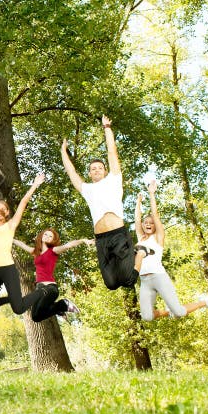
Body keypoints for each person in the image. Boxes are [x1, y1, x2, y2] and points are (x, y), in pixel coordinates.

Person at [60, 115, 146, 290]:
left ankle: (141, 253)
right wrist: (63, 152)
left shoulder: (114, 179)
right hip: (101, 240)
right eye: (93, 169)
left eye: (100, 168)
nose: (97, 170)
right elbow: (72, 173)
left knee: (129, 280)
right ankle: (131, 257)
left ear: (105, 171)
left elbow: (112, 152)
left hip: (119, 234)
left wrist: (107, 128)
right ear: (90, 173)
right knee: (111, 284)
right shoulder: (87, 189)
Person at [135, 180, 208, 320]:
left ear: (155, 226)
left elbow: (155, 214)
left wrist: (151, 194)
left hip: (159, 277)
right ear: (143, 225)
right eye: (146, 223)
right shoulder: (141, 238)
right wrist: (138, 202)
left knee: (180, 312)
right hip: (145, 280)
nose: (148, 224)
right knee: (147, 317)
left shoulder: (158, 237)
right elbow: (137, 219)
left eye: (151, 223)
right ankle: (168, 312)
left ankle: (204, 302)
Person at [0, 174, 45, 315]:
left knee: (18, 309)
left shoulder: (11, 225)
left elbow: (23, 202)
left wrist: (35, 185)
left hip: (8, 269)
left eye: (3, 209)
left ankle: (42, 291)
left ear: (7, 212)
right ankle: (9, 299)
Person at [12, 230, 92, 322]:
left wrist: (83, 240)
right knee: (35, 317)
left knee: (39, 309)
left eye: (50, 236)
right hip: (39, 288)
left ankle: (63, 304)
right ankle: (58, 308)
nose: (47, 236)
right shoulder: (35, 252)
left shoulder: (53, 250)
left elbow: (68, 245)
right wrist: (10, 239)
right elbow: (21, 244)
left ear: (52, 240)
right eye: (45, 234)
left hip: (50, 288)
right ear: (41, 236)